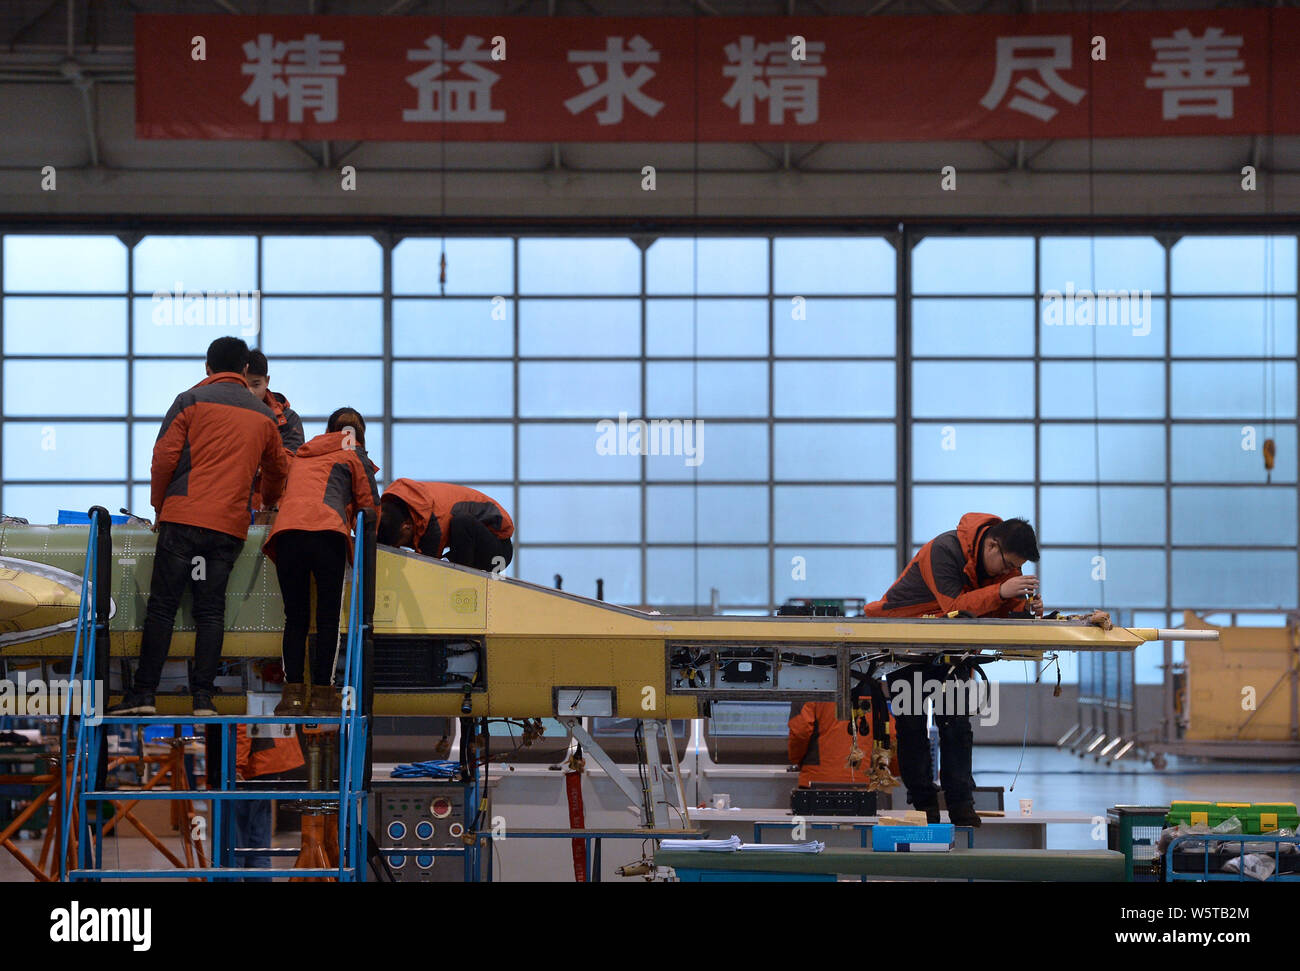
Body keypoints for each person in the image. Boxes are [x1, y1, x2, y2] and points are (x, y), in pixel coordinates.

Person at [110, 337, 290, 716]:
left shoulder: (188, 401)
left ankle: (144, 695)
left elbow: (163, 459)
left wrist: (160, 504)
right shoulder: (263, 416)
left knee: (162, 608)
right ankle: (203, 699)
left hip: (183, 518)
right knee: (211, 612)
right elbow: (277, 470)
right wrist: (269, 502)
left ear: (208, 368)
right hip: (228, 525)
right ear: (245, 370)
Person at [862, 513, 1040, 827]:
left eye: (1017, 567)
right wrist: (1002, 592)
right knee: (912, 728)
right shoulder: (943, 550)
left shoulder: (1005, 563)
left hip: (953, 652)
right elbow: (954, 608)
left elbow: (1002, 607)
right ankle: (924, 805)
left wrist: (1027, 609)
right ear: (992, 546)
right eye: (1008, 565)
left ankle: (961, 805)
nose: (1011, 572)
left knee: (957, 726)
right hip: (907, 647)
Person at [263, 408, 379, 717]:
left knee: (295, 618)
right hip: (327, 534)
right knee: (327, 619)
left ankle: (292, 698)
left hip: (287, 535)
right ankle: (324, 696)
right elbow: (370, 507)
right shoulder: (353, 454)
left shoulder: (304, 454)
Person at [377, 479, 513, 572]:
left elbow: (426, 568)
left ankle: (463, 578)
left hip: (499, 552)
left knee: (461, 522)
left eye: (401, 542)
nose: (402, 545)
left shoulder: (433, 525)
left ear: (406, 526)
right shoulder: (408, 509)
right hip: (469, 547)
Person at [231, 722, 304, 880]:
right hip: (265, 758)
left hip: (252, 764)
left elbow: (243, 722)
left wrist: (235, 767)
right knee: (257, 845)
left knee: (234, 847)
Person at [246, 350, 303, 513]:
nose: (250, 391)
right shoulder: (227, 415)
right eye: (244, 385)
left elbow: (290, 463)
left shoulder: (289, 419)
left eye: (256, 384)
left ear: (267, 381)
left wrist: (257, 466)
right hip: (235, 507)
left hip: (273, 508)